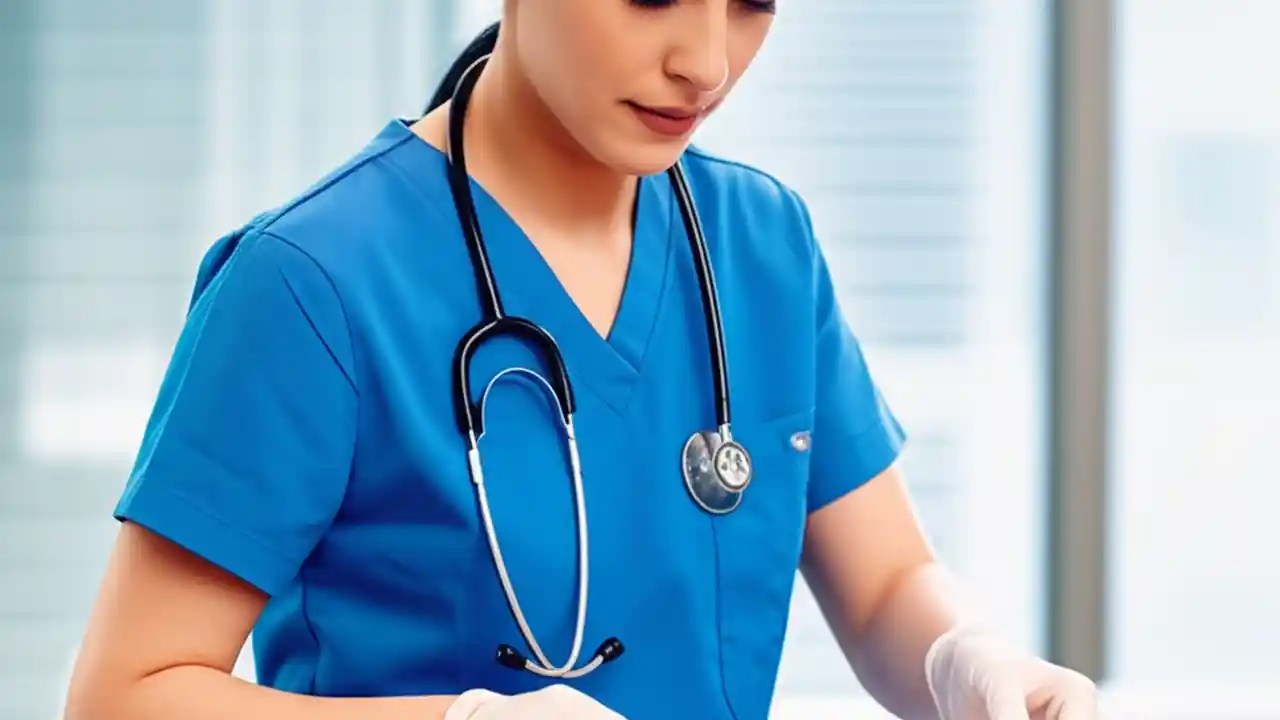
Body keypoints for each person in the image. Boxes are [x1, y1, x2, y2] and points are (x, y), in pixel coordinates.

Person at [64, 2, 1098, 719]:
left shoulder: (761, 243)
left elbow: (882, 587)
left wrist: (965, 659)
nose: (706, 60)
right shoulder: (310, 283)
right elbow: (127, 695)